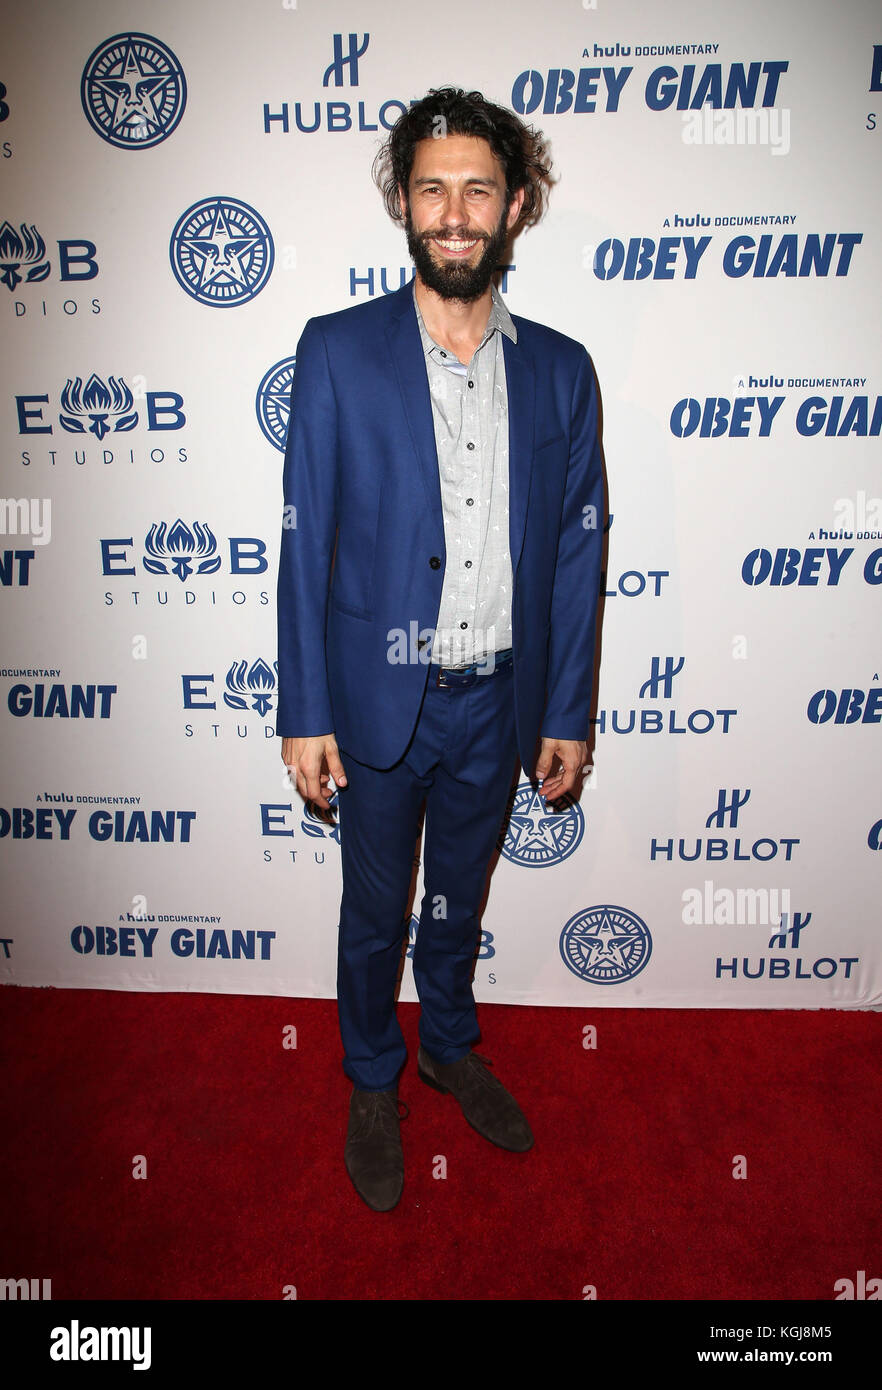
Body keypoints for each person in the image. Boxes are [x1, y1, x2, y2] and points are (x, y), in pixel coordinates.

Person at [277, 87, 604, 1211]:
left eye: (478, 189)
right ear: (402, 204)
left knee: (457, 901)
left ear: (515, 206)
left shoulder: (563, 369)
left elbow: (574, 554)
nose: (454, 213)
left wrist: (566, 712)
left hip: (499, 697)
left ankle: (446, 1044)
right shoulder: (335, 352)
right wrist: (302, 709)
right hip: (375, 706)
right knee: (375, 911)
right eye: (432, 189)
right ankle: (374, 1075)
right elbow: (304, 544)